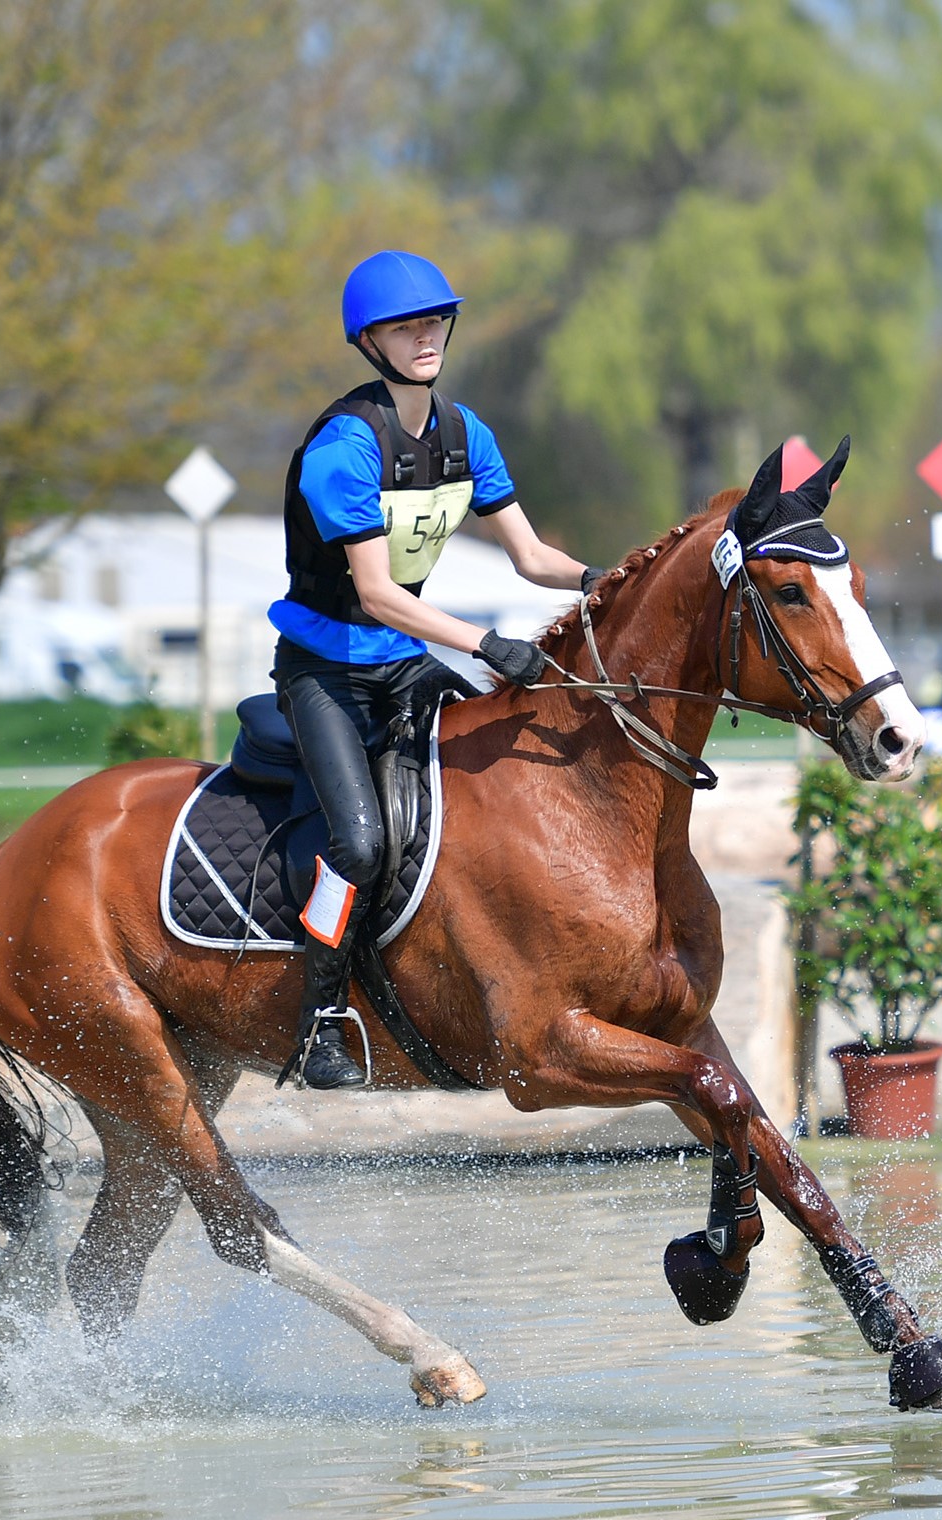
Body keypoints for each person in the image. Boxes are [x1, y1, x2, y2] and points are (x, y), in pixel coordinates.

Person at [268, 250, 601, 1090]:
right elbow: (377, 595)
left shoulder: (465, 433)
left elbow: (529, 556)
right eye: (406, 325)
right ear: (368, 340)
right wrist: (484, 644)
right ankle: (319, 1023)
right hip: (326, 673)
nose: (427, 336)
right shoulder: (342, 448)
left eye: (436, 320)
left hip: (404, 664)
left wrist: (608, 580)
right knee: (360, 840)